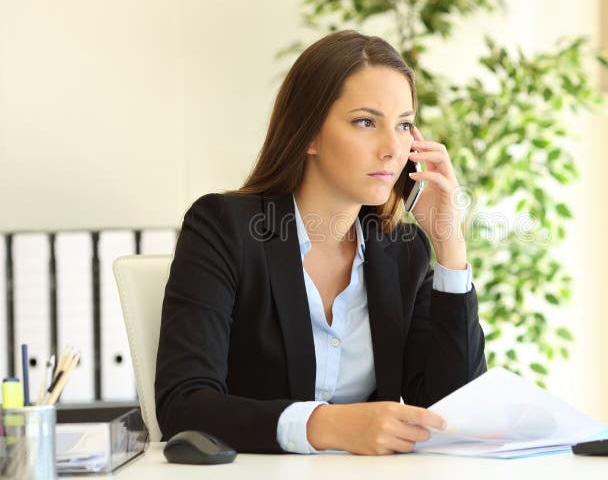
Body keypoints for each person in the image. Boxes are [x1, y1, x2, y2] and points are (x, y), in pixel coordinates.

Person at [154, 30, 487, 455]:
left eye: (404, 125)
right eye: (366, 122)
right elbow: (183, 405)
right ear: (308, 133)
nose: (392, 148)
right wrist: (328, 424)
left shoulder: (403, 251)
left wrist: (450, 248)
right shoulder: (223, 228)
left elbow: (453, 412)